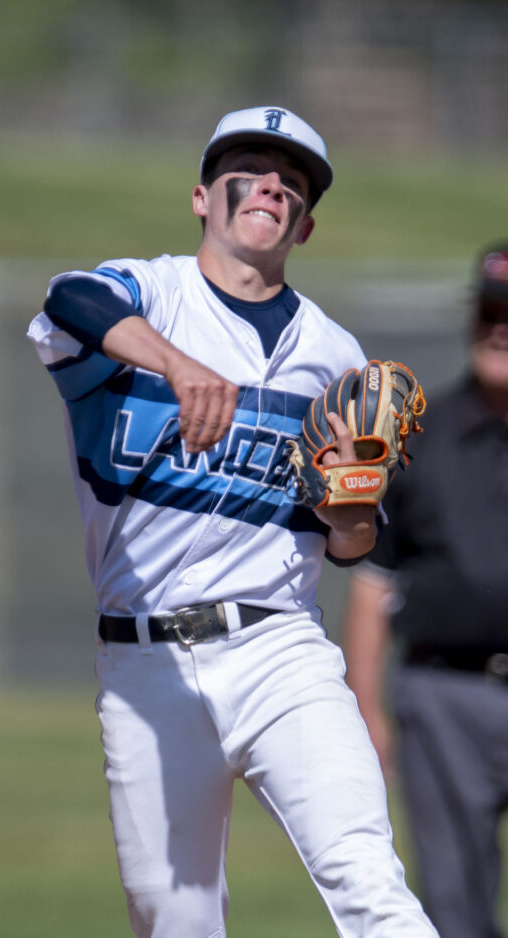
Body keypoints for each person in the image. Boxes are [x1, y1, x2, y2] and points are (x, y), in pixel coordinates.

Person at [28, 106, 439, 938]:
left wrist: (350, 510)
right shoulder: (149, 295)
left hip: (279, 650)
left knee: (369, 884)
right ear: (203, 198)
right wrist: (175, 363)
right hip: (145, 665)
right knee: (175, 922)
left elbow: (356, 545)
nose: (271, 186)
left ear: (307, 224)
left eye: (292, 183)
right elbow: (66, 299)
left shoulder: (336, 355)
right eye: (247, 171)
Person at [342, 242, 508, 938]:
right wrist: (364, 715)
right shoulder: (421, 436)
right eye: (489, 312)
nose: (500, 328)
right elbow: (374, 584)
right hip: (446, 701)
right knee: (453, 903)